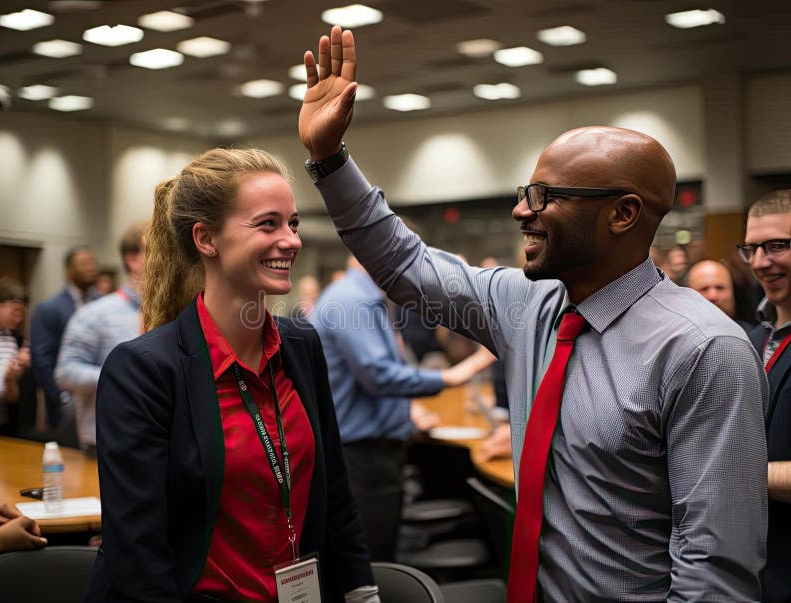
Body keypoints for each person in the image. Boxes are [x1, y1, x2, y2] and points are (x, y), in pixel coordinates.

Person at [297, 26, 768, 600]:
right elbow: (405, 262)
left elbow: (712, 569)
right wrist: (329, 158)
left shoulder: (701, 351)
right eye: (526, 191)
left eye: (546, 196)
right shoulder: (526, 303)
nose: (523, 210)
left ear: (623, 215)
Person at [83, 148, 376, 603]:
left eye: (293, 223)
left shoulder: (301, 347)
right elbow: (137, 553)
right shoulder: (144, 370)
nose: (291, 240)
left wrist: (361, 592)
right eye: (268, 224)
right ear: (206, 239)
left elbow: (334, 492)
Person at [310, 256, 492, 561]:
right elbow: (378, 375)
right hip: (362, 457)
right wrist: (453, 376)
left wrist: (406, 411)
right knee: (373, 561)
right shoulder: (353, 300)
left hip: (367, 452)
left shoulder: (364, 297)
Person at [739, 189, 791, 603]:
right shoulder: (750, 340)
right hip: (750, 573)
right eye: (751, 248)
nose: (760, 262)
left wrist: (721, 470)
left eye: (776, 246)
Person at [55, 222, 147, 455]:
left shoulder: (175, 313)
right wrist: (118, 377)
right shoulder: (95, 315)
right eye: (158, 252)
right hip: (105, 444)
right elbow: (65, 372)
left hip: (157, 444)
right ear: (133, 260)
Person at [30, 246, 99, 430]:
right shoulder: (49, 308)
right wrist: (58, 397)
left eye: (92, 263)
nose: (91, 268)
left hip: (97, 397)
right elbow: (41, 358)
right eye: (84, 264)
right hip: (66, 398)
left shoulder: (103, 304)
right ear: (69, 270)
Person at [0, 277, 31, 436]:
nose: (19, 318)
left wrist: (10, 379)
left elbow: (11, 398)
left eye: (22, 312)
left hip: (3, 424)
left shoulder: (16, 339)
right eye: (15, 311)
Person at [687, 259, 753, 331]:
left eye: (719, 288)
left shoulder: (752, 337)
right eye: (704, 289)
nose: (713, 296)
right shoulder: (678, 338)